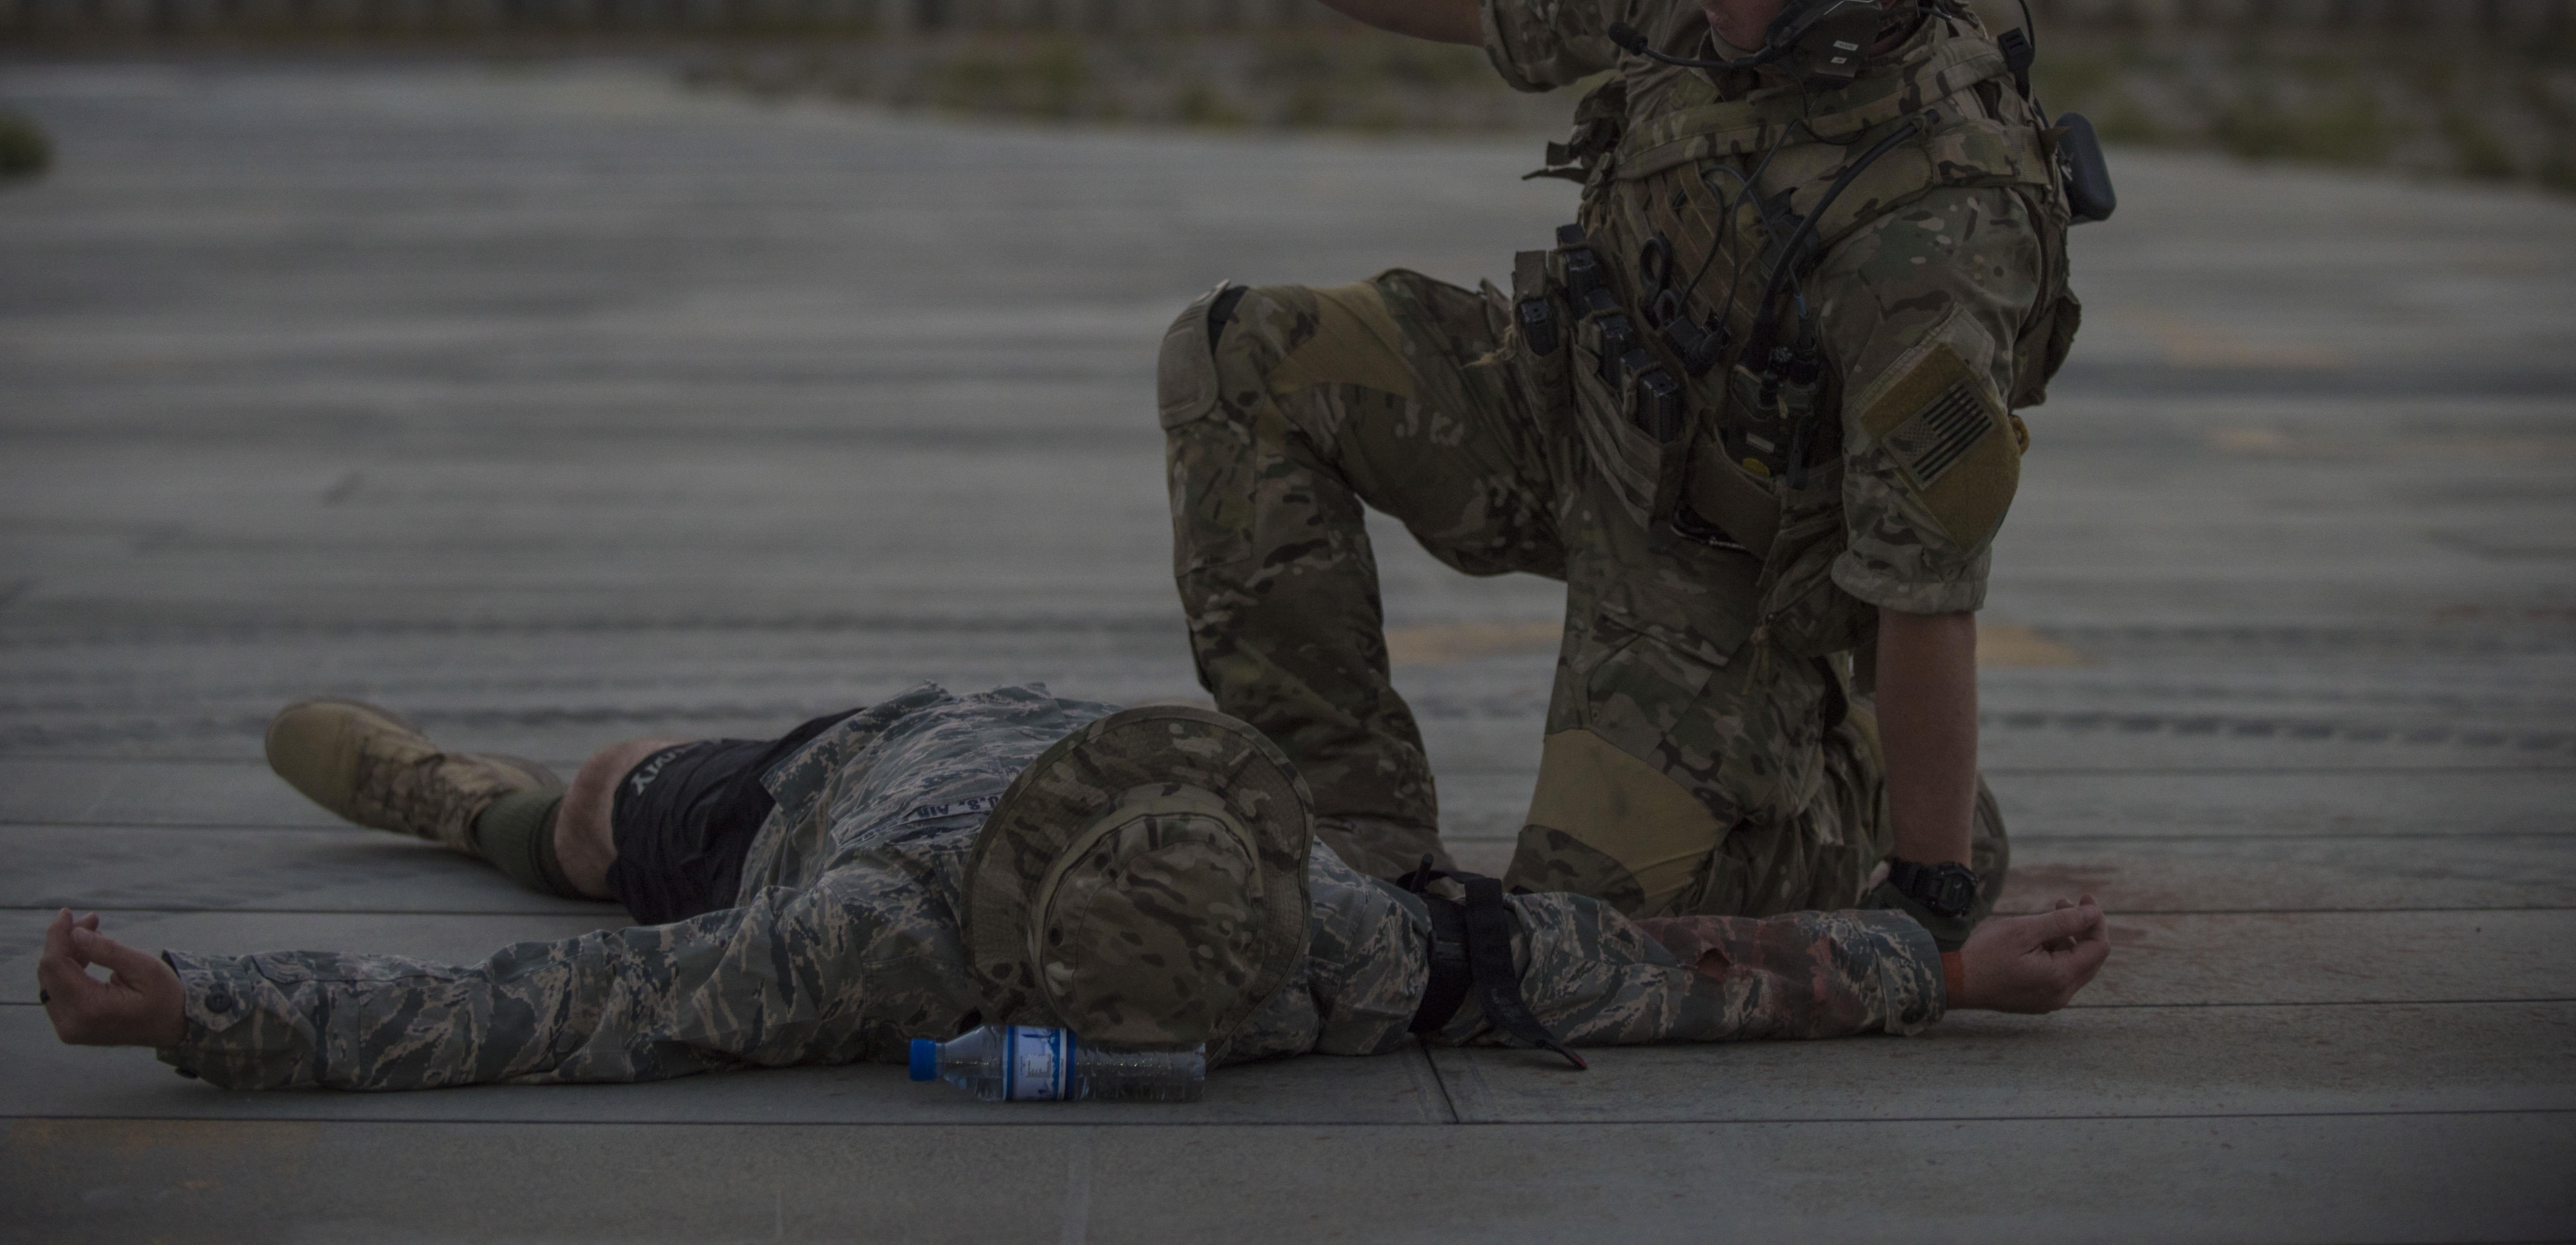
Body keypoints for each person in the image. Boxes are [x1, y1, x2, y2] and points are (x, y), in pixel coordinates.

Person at [1027, 0, 2079, 953]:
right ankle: (1357, 829)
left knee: (1585, 929)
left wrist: (1929, 913)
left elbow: (1924, 589)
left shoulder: (1934, 232)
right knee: (1239, 351)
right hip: (1567, 410)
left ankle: (1845, 792)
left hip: (1716, 569)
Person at [38, 694, 2108, 1086]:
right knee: (589, 837)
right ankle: (450, 792)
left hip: (1094, 773)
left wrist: (1940, 969)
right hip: (830, 785)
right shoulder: (876, 935)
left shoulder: (1333, 945)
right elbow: (557, 1016)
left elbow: (1668, 968)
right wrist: (207, 1007)